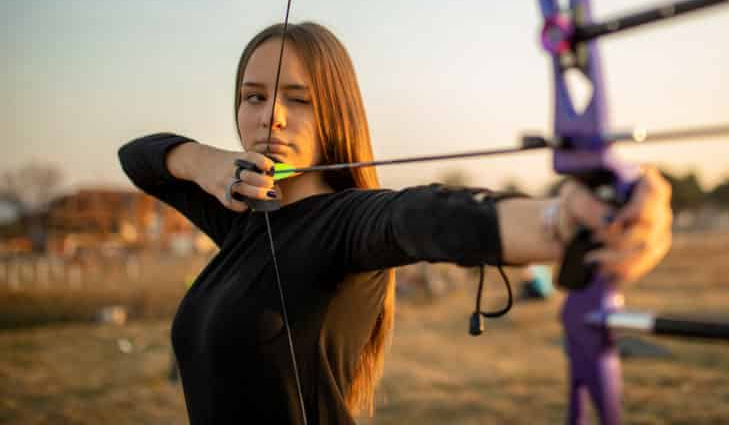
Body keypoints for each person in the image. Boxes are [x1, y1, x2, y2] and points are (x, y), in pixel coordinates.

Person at [118, 22, 672, 425]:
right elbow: (138, 157)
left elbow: (420, 217)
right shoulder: (241, 219)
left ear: (335, 113)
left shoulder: (347, 224)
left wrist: (562, 219)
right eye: (253, 97)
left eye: (298, 99)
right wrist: (206, 162)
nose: (271, 117)